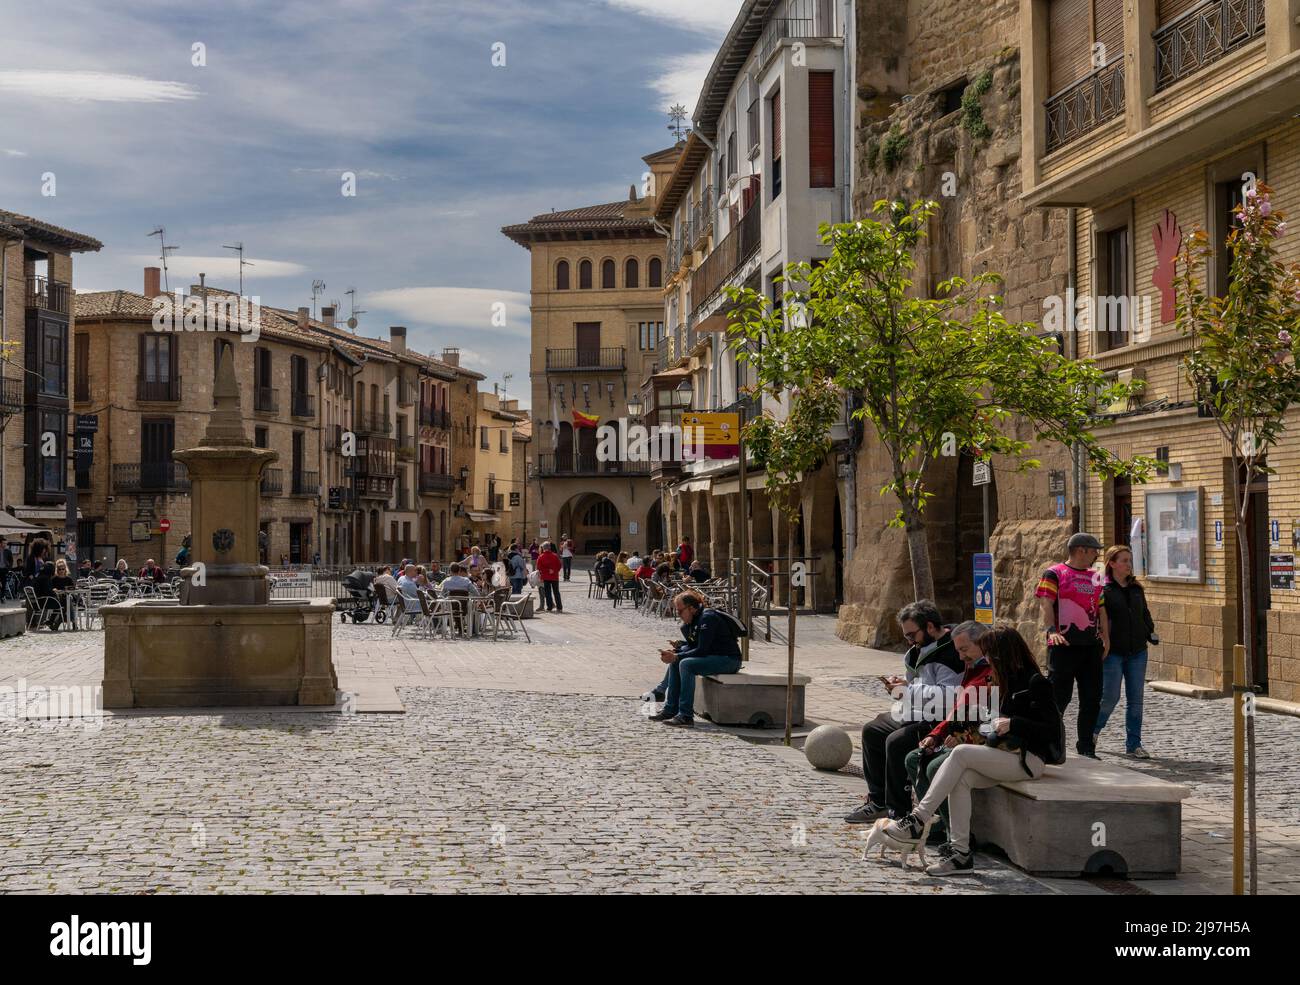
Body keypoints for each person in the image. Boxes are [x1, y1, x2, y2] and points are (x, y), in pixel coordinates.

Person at [885, 623, 1063, 875]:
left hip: (1027, 759)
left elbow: (1050, 730)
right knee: (960, 780)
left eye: (990, 653)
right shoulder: (1004, 681)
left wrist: (1013, 723)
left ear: (1003, 653)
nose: (986, 659)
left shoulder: (1035, 682)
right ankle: (960, 854)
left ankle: (918, 818)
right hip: (1002, 754)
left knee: (960, 754)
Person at [844, 600, 965, 824]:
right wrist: (899, 687)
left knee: (896, 741)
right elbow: (914, 684)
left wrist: (909, 690)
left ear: (929, 627)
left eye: (911, 635)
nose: (908, 640)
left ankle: (898, 811)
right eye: (906, 636)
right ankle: (878, 801)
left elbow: (950, 696)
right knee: (872, 730)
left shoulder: (952, 650)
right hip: (916, 711)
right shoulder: (914, 651)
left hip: (940, 719)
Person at [903, 621, 994, 848]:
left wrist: (963, 737)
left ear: (982, 644)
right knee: (914, 757)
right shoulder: (972, 669)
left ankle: (953, 833)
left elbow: (989, 718)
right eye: (958, 651)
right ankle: (935, 824)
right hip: (961, 735)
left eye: (964, 650)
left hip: (984, 742)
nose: (961, 658)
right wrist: (935, 735)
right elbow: (957, 713)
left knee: (935, 766)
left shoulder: (992, 673)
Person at [1036, 532, 1109, 758]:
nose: (1097, 554)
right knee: (1059, 697)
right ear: (1081, 550)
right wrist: (1051, 631)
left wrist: (1106, 636)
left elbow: (1101, 607)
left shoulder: (1096, 576)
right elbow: (1045, 604)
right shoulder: (1054, 573)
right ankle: (1048, 743)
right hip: (1063, 645)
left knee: (1092, 698)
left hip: (1090, 646)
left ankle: (1086, 746)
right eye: (1094, 550)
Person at [1097, 545, 1157, 759]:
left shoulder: (1136, 588)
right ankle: (1093, 731)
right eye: (1123, 560)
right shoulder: (1104, 590)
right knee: (1110, 697)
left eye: (1129, 560)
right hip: (1113, 651)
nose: (1128, 564)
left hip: (1138, 651)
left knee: (1136, 700)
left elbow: (1145, 613)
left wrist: (1149, 630)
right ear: (1112, 563)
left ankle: (1134, 744)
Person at [649, 592, 743, 728]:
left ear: (691, 608)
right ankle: (670, 709)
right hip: (714, 657)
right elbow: (693, 647)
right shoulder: (693, 621)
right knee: (677, 662)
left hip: (729, 660)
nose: (678, 615)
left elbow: (702, 650)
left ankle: (686, 715)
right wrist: (676, 653)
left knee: (686, 664)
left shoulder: (707, 618)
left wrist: (677, 656)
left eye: (680, 611)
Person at [536, 541, 562, 612]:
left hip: (546, 577)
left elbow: (539, 568)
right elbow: (559, 565)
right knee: (556, 592)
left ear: (543, 548)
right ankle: (559, 607)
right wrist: (554, 571)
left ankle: (549, 607)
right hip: (554, 576)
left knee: (548, 592)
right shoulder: (555, 555)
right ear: (549, 548)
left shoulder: (541, 557)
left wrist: (547, 570)